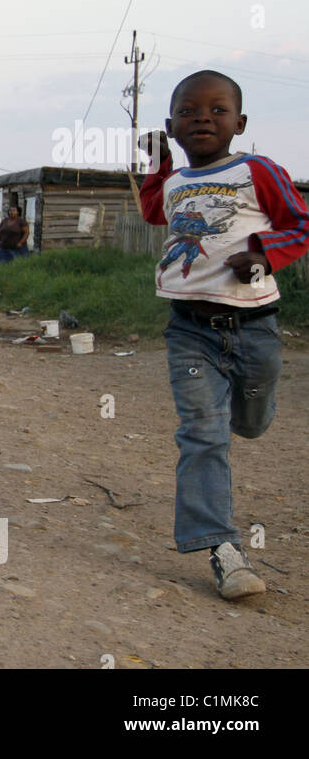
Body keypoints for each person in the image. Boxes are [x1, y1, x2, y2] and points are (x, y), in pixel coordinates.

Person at [138, 70, 309, 601]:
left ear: (240, 122)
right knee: (203, 433)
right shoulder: (173, 182)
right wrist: (157, 162)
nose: (202, 118)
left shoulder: (257, 170)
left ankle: (248, 407)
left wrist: (261, 254)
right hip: (188, 329)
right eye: (188, 112)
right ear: (172, 124)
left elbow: (300, 224)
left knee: (251, 424)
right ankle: (223, 551)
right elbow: (151, 211)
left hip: (254, 327)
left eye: (216, 110)